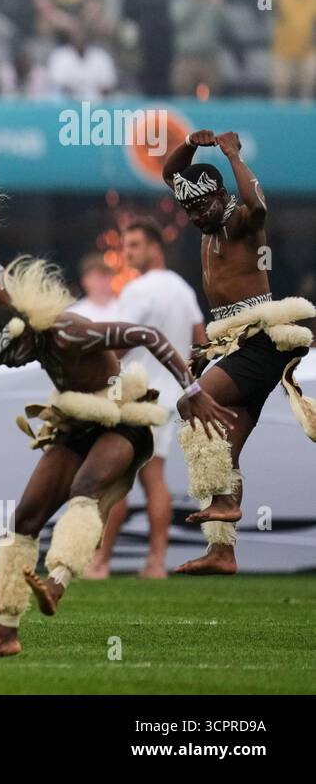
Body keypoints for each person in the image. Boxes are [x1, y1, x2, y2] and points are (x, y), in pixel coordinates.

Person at [0, 229, 230, 658]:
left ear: (26, 336)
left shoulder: (69, 334)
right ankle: (4, 632)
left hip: (121, 418)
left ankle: (58, 581)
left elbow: (149, 337)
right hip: (73, 421)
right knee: (24, 519)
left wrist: (191, 389)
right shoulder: (13, 315)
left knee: (86, 489)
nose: (16, 363)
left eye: (15, 356)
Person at [161, 130, 316, 574]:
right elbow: (172, 173)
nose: (194, 215)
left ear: (221, 195)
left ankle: (225, 503)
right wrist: (190, 142)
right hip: (234, 340)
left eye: (201, 206)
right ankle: (222, 552)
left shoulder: (242, 221)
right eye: (188, 209)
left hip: (261, 339)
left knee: (192, 402)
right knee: (225, 451)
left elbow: (260, 203)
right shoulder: (207, 217)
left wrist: (231, 154)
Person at [87, 220, 205, 579]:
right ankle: (155, 562)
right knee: (153, 480)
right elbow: (201, 341)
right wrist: (187, 382)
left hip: (137, 398)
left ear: (155, 246)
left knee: (116, 479)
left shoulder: (139, 290)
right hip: (169, 400)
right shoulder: (184, 289)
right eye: (126, 245)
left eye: (134, 245)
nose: (128, 252)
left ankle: (101, 562)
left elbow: (117, 345)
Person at [70, 254, 122, 322]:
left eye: (108, 277)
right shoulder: (74, 314)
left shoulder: (126, 308)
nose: (104, 282)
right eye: (99, 278)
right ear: (85, 281)